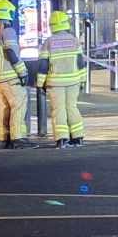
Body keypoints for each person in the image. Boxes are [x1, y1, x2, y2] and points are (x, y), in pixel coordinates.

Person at [0, 0, 32, 149]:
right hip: (10, 75)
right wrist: (23, 72)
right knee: (18, 105)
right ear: (8, 13)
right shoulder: (7, 30)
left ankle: (5, 137)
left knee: (3, 108)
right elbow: (11, 52)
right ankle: (18, 138)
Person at [42, 8, 86, 148]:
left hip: (56, 82)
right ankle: (78, 137)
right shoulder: (74, 40)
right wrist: (83, 80)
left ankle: (62, 139)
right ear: (66, 23)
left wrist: (40, 83)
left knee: (58, 109)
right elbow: (81, 62)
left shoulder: (48, 42)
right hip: (73, 81)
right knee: (72, 107)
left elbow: (43, 65)